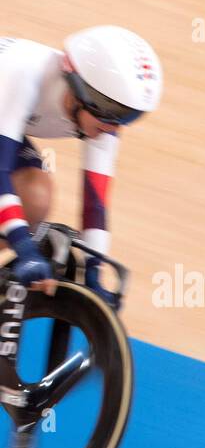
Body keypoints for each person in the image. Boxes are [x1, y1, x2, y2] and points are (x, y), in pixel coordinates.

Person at [0, 26, 163, 297]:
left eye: (128, 116)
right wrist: (24, 246)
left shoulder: (103, 120)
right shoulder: (21, 72)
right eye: (114, 113)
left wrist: (94, 271)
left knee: (34, 195)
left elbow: (95, 206)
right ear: (80, 93)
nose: (115, 128)